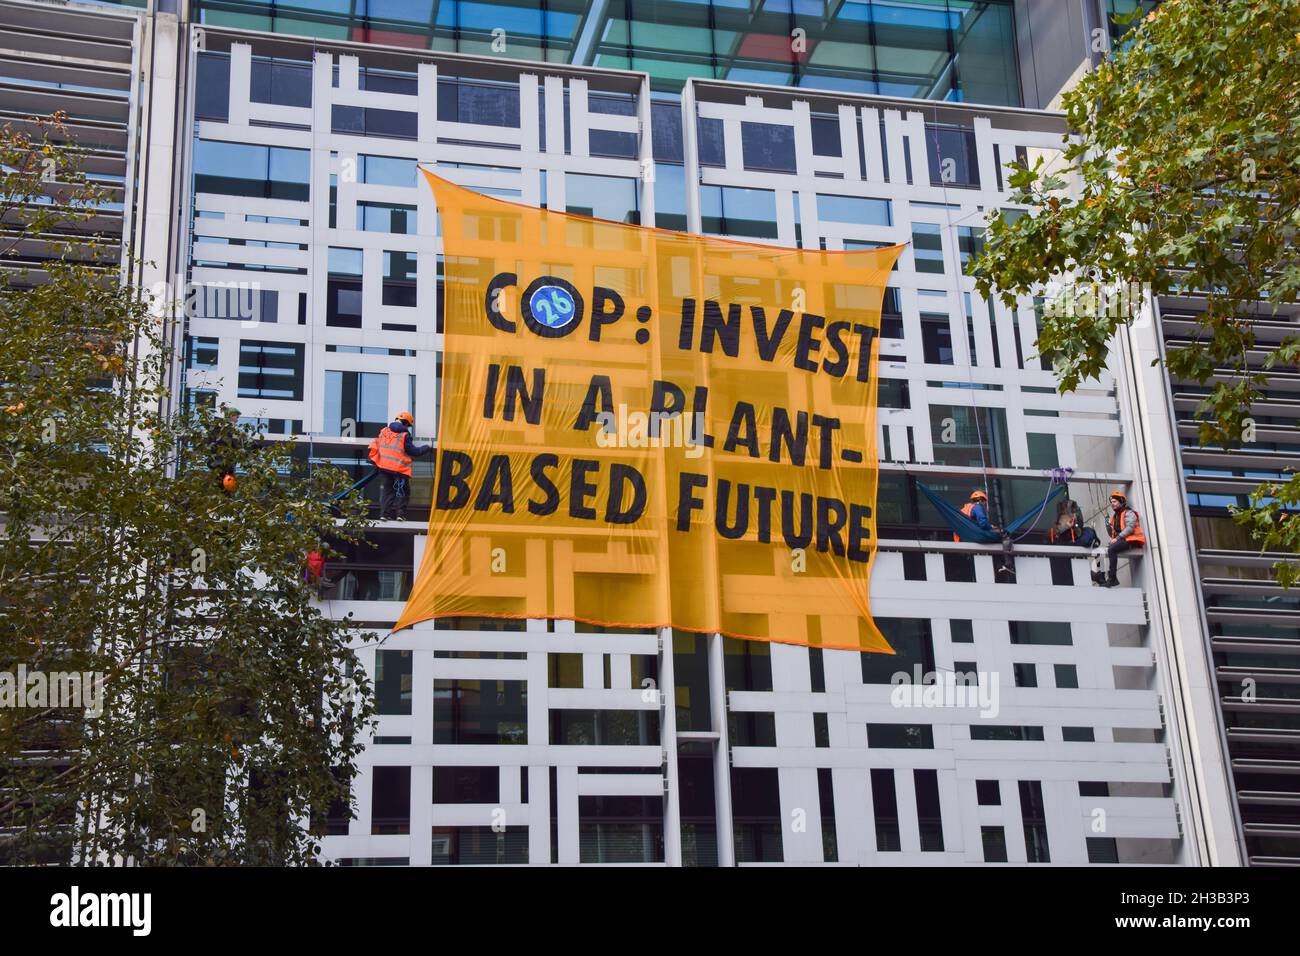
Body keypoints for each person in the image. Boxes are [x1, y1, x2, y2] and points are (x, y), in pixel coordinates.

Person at [368, 411, 431, 521]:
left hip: (384, 467)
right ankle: (400, 515)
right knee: (402, 491)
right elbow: (414, 452)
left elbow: (376, 445)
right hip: (399, 469)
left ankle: (384, 514)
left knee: (387, 491)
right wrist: (427, 447)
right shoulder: (404, 435)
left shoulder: (383, 431)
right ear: (406, 423)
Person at [1101, 489, 1145, 587]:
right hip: (1124, 539)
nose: (1112, 504)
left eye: (1114, 502)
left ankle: (1112, 578)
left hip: (1132, 539)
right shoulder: (1115, 517)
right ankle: (1110, 577)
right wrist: (1106, 519)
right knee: (1110, 549)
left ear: (1121, 502)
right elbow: (1111, 532)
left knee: (1111, 549)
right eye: (1111, 502)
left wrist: (1117, 538)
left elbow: (1130, 527)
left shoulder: (1128, 513)